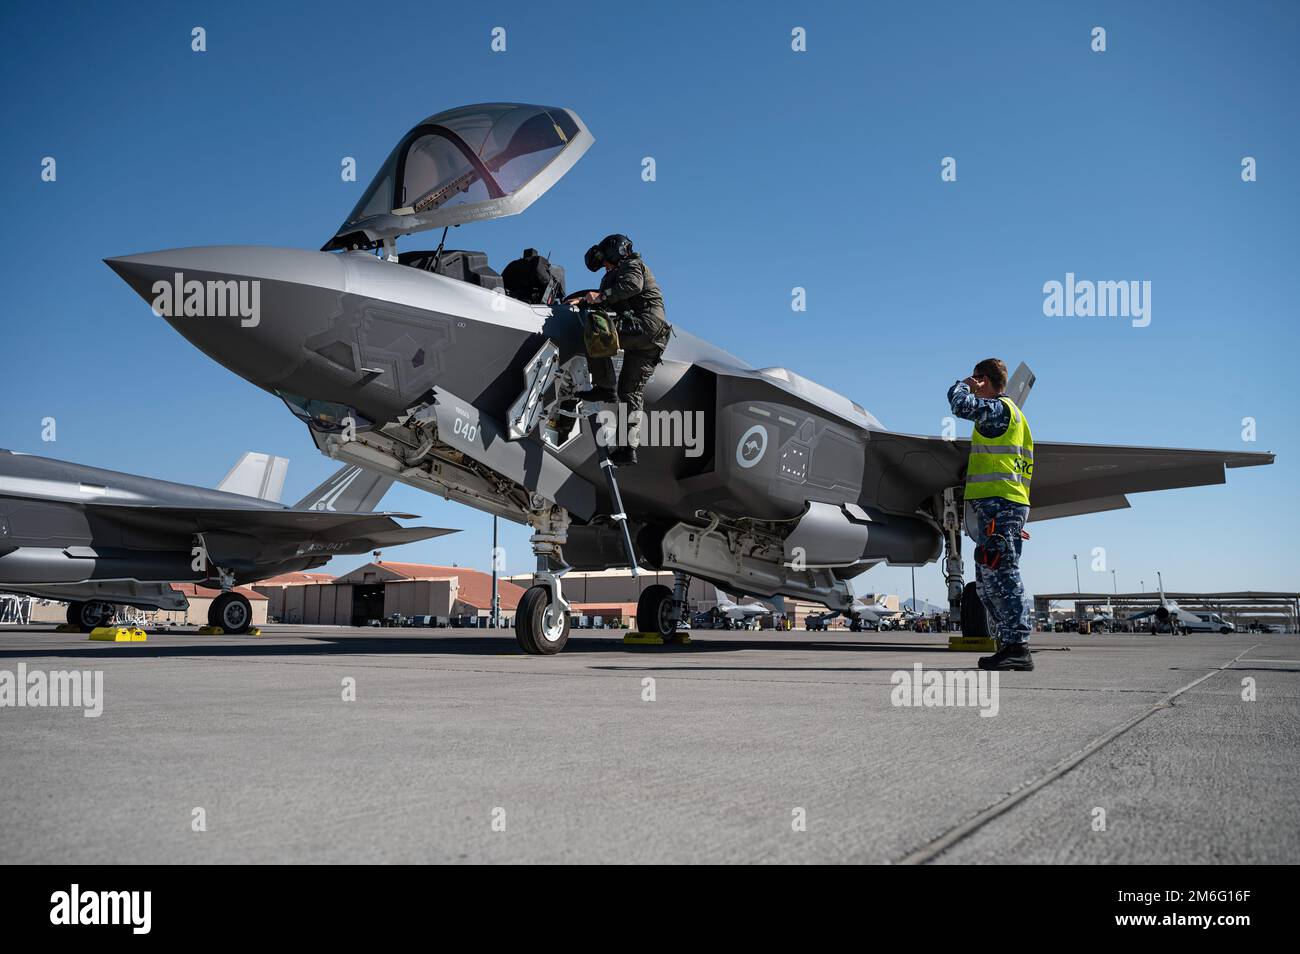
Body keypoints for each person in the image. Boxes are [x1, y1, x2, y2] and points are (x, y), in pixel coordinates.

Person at [947, 357, 1035, 671]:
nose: (972, 383)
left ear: (984, 380)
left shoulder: (1000, 411)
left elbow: (959, 405)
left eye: (976, 379)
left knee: (1003, 574)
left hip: (1001, 506)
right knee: (987, 577)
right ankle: (1008, 643)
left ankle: (1017, 647)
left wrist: (963, 386)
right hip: (996, 506)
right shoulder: (1012, 417)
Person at [568, 234, 671, 465]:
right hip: (653, 340)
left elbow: (631, 286)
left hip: (644, 326)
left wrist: (600, 297)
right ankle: (628, 448)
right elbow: (607, 301)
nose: (605, 265)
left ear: (615, 252)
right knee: (630, 392)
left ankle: (604, 386)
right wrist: (584, 301)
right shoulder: (617, 274)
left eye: (606, 260)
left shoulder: (633, 266)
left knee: (596, 330)